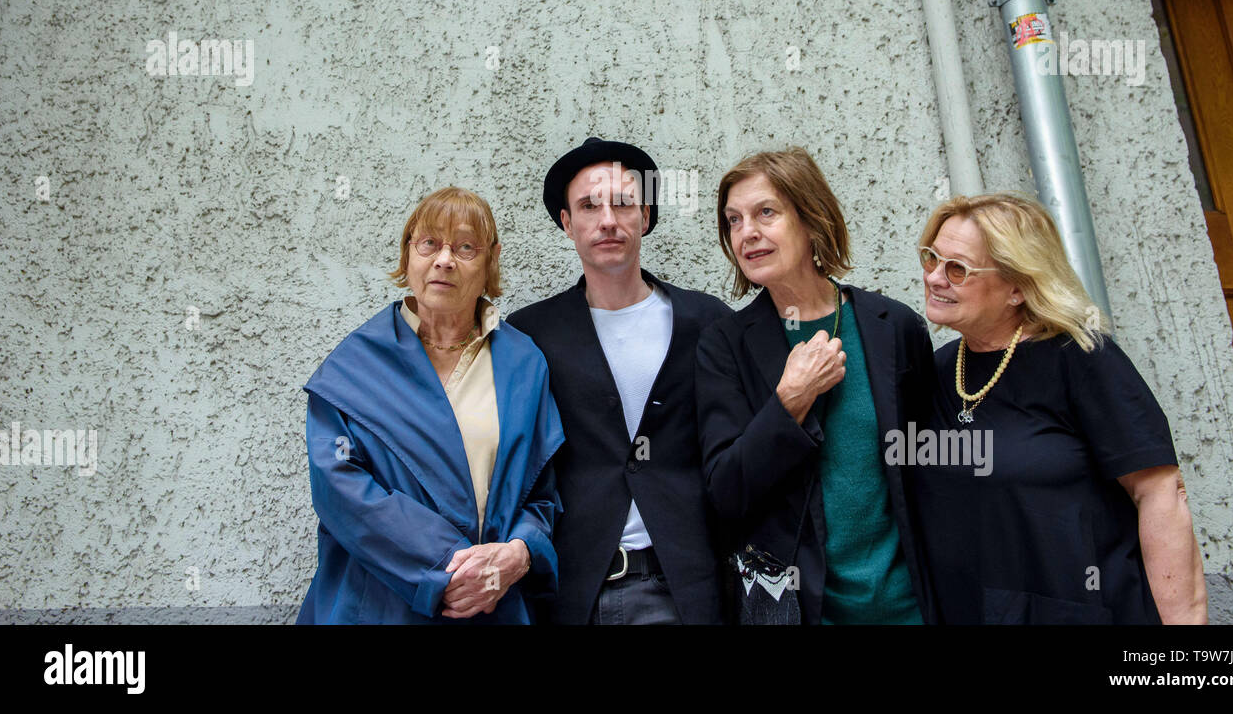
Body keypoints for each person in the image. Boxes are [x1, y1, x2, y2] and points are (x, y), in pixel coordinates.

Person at [913, 192, 1207, 623]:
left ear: (1017, 287)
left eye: (957, 268)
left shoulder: (1080, 356)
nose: (935, 277)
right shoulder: (938, 371)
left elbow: (1160, 493)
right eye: (931, 258)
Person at [297, 186, 564, 624]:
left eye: (465, 247)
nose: (444, 260)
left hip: (492, 606)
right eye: (429, 244)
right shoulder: (357, 365)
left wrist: (519, 552)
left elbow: (540, 493)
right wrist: (455, 569)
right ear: (408, 256)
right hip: (379, 604)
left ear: (489, 262)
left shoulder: (522, 364)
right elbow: (341, 492)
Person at [694, 147, 938, 624]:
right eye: (734, 220)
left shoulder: (893, 327)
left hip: (909, 607)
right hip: (805, 612)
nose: (748, 232)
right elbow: (726, 491)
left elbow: (931, 475)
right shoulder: (724, 346)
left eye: (766, 212)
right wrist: (789, 401)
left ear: (810, 219)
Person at [507, 137, 732, 624]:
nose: (607, 219)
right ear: (567, 223)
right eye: (588, 206)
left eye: (623, 203)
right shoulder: (528, 335)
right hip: (573, 594)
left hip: (687, 589)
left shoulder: (707, 321)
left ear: (645, 217)